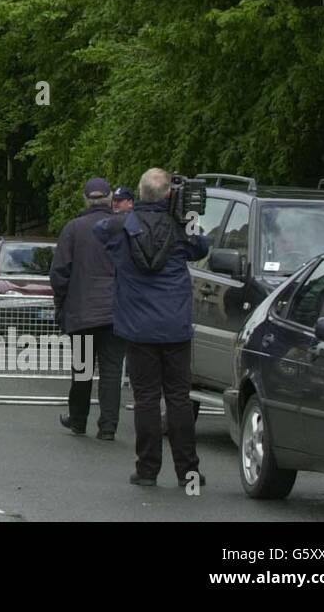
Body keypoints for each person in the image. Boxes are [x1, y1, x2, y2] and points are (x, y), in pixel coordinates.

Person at [94, 168, 210, 488]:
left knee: (146, 399)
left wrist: (132, 214)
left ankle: (147, 470)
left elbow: (100, 230)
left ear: (139, 194)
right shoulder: (180, 229)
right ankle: (188, 471)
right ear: (170, 195)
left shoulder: (121, 227)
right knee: (178, 399)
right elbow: (203, 246)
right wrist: (185, 214)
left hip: (138, 328)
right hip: (174, 325)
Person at [50, 177, 126, 441]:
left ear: (86, 199)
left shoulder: (74, 229)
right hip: (117, 314)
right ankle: (108, 427)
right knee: (112, 371)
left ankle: (78, 419)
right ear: (110, 200)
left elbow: (59, 273)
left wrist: (61, 305)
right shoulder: (124, 228)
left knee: (82, 369)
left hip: (82, 314)